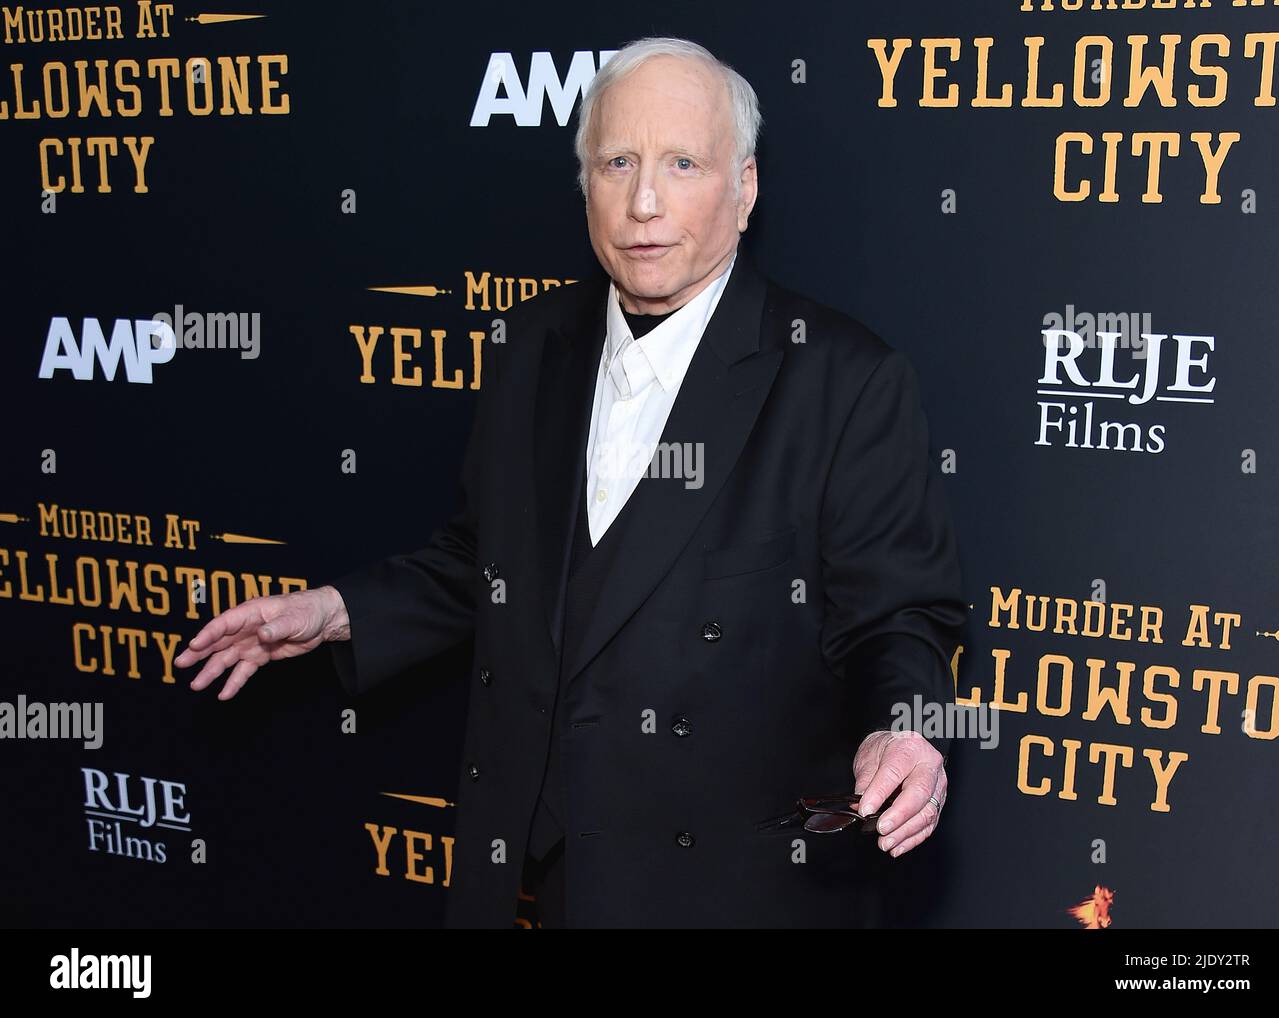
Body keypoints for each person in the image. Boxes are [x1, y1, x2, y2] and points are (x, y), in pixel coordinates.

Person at [176, 36, 967, 929]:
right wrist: (335, 612)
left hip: (729, 889)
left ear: (743, 191)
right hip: (543, 878)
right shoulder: (529, 348)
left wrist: (906, 728)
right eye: (616, 161)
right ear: (583, 181)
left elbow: (899, 616)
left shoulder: (842, 377)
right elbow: (489, 564)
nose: (643, 202)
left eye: (682, 163)